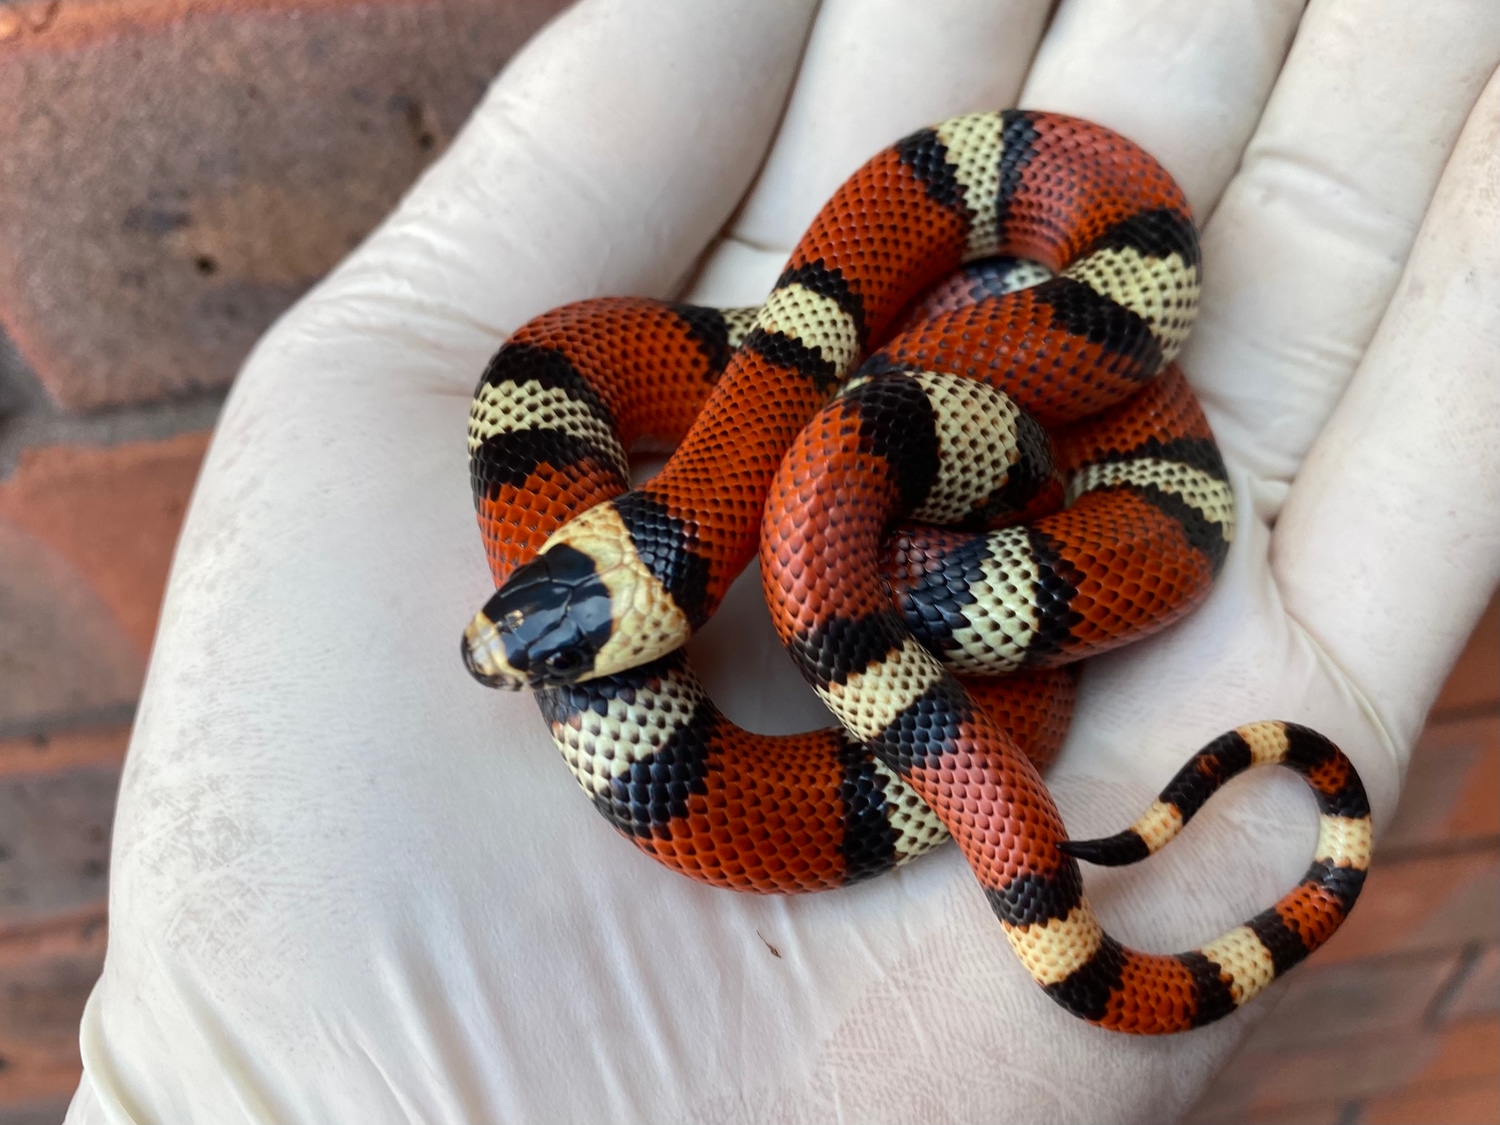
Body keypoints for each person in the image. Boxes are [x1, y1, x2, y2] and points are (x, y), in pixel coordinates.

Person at [67, 1, 1500, 1121]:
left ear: (646, 552)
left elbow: (811, 466)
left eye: (556, 639)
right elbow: (783, 443)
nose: (516, 648)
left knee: (891, 446)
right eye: (551, 642)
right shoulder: (744, 495)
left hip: (1005, 452)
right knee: (878, 465)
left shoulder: (799, 505)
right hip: (956, 518)